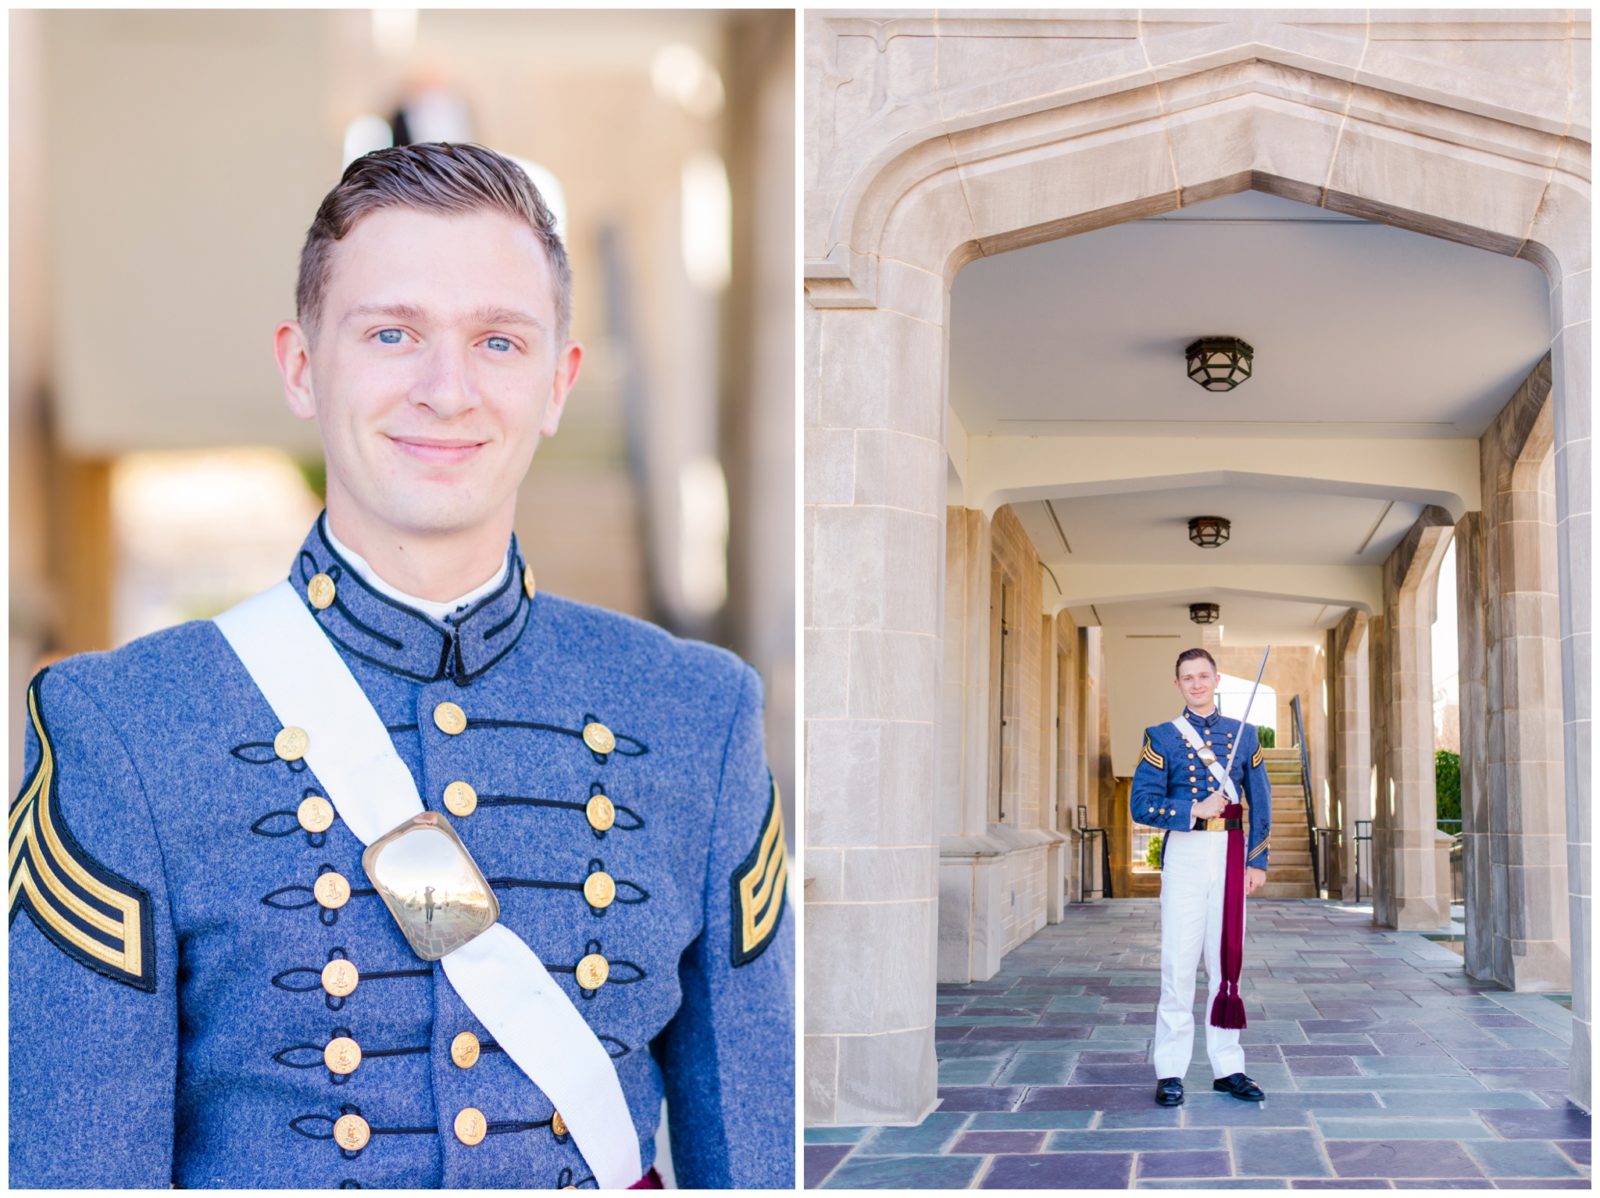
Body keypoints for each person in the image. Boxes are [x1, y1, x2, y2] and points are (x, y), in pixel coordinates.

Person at [9, 143, 793, 1188]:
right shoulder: (120, 726)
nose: (447, 390)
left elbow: (757, 1155)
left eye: (499, 342)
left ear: (558, 383)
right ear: (301, 365)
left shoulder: (700, 714)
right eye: (392, 333)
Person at [1130, 647, 1270, 1108]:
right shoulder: (1161, 737)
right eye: (1187, 678)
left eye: (1203, 676)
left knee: (1227, 963)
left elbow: (1261, 802)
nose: (1196, 684)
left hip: (1231, 852)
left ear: (1216, 680)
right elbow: (1141, 805)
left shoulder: (1245, 735)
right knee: (1178, 963)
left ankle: (1228, 1067)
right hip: (1187, 852)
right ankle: (1170, 1070)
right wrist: (1193, 808)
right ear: (1178, 685)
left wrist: (1257, 861)